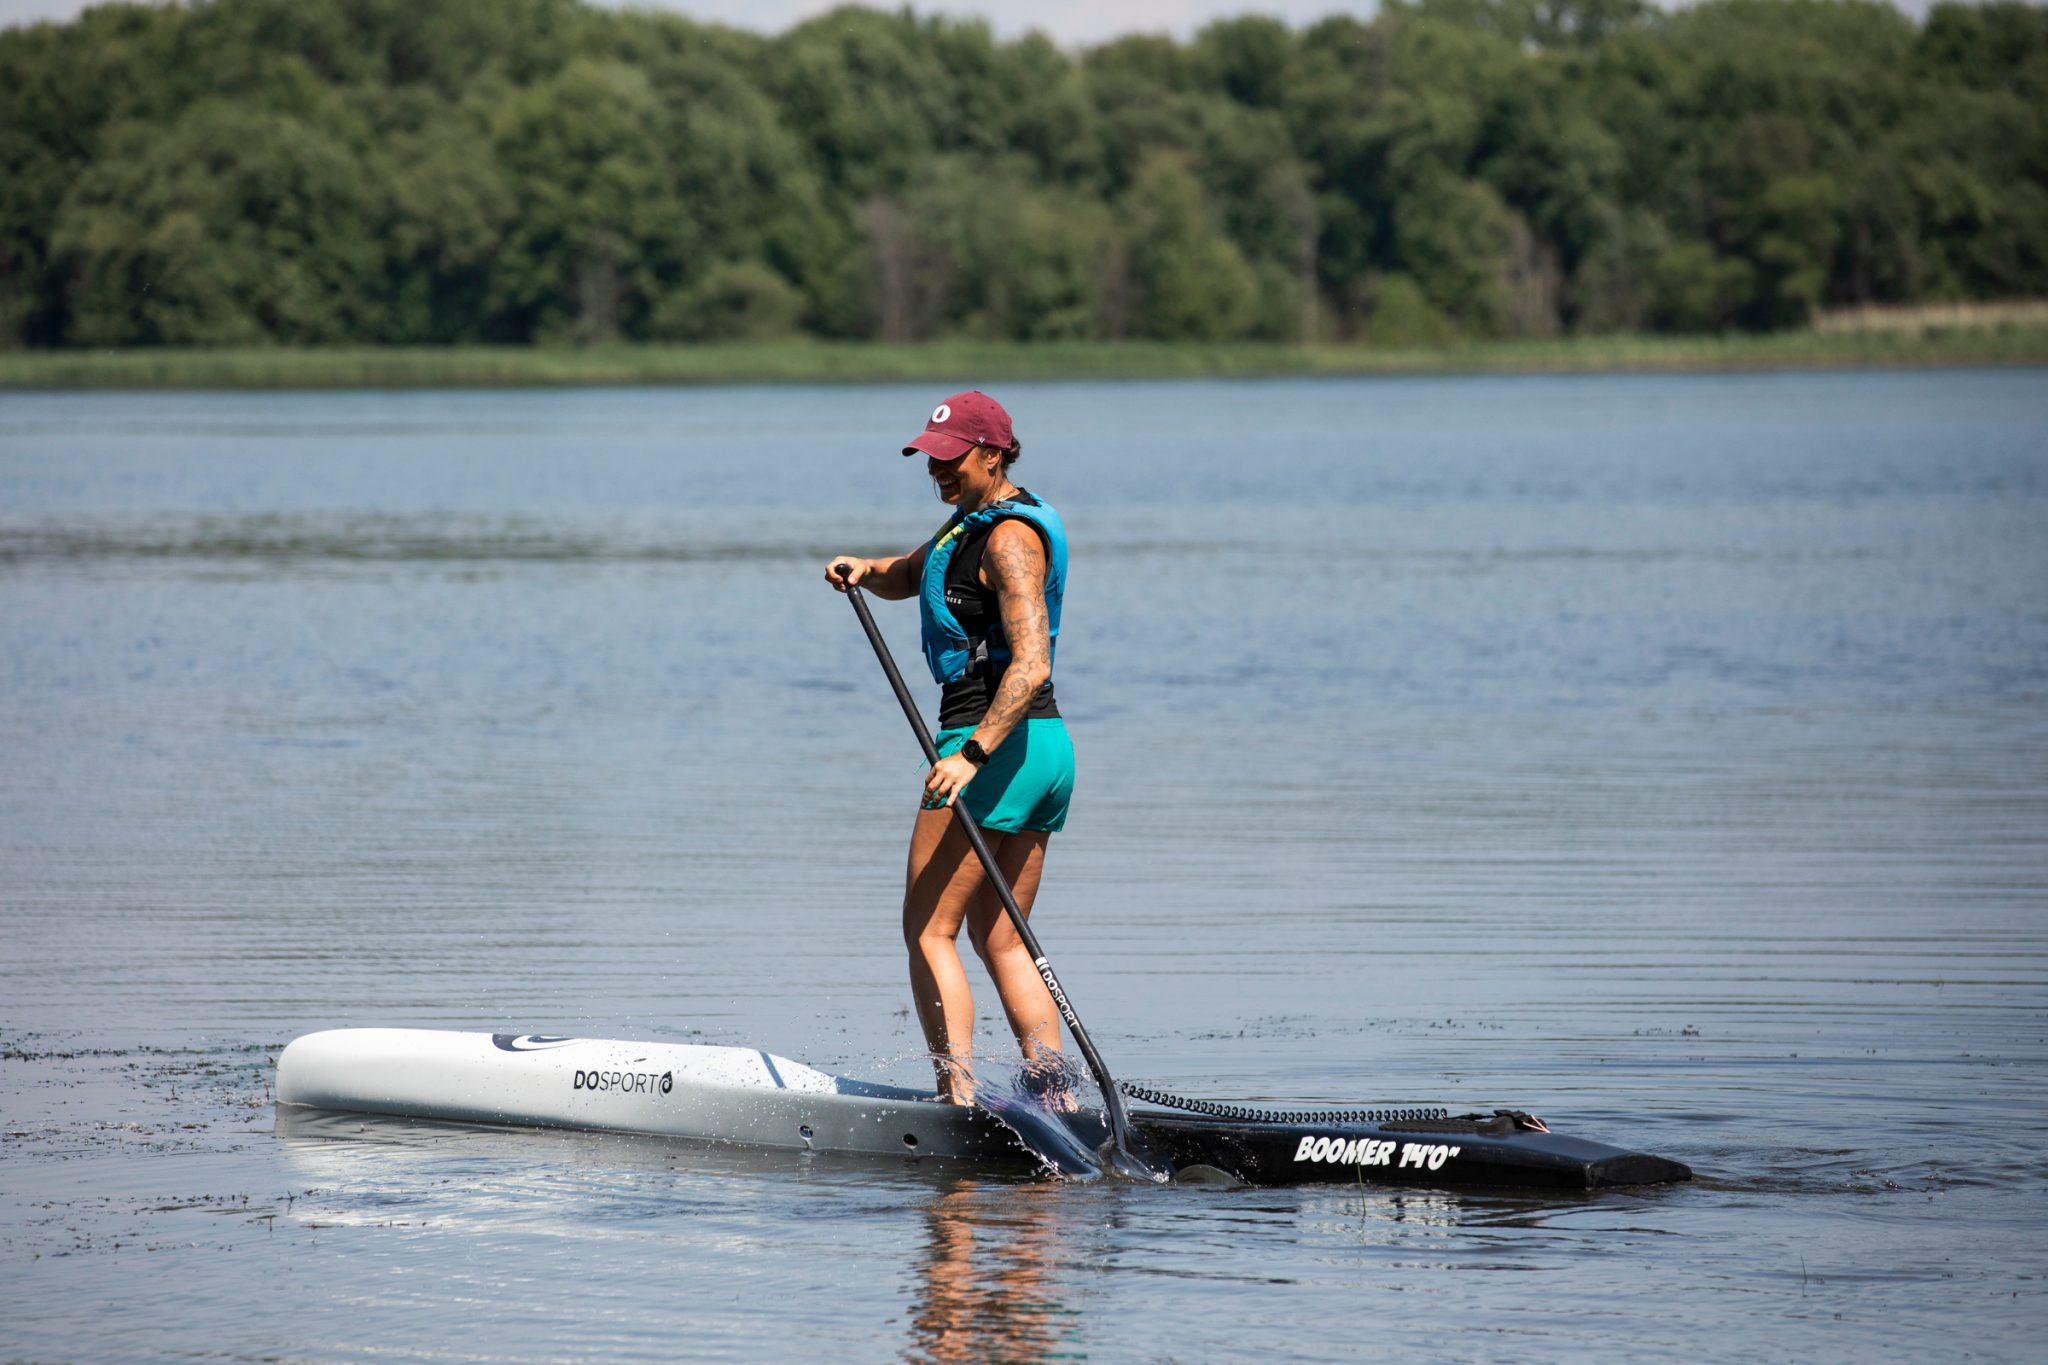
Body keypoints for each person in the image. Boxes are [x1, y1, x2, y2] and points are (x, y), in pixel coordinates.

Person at [826, 391, 1074, 1105]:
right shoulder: (969, 526)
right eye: (929, 459)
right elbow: (912, 574)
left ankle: (955, 1102)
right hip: (1042, 751)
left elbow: (1031, 665)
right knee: (1000, 934)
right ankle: (1055, 1102)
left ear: (992, 455)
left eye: (950, 458)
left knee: (928, 930)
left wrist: (971, 756)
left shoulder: (1008, 540)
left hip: (995, 747)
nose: (937, 470)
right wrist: (864, 570)